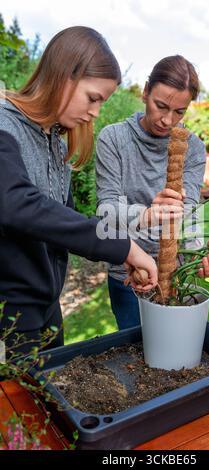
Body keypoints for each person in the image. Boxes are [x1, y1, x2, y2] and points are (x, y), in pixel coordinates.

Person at [0, 26, 157, 355]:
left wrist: (117, 252)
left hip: (47, 310)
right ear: (64, 76)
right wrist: (124, 247)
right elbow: (17, 204)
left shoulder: (55, 143)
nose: (96, 112)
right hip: (9, 318)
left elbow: (67, 219)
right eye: (93, 98)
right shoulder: (4, 127)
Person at [96, 55, 209, 330]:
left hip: (179, 271)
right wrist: (147, 214)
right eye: (161, 106)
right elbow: (105, 213)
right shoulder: (114, 139)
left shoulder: (192, 147)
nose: (168, 120)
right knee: (135, 356)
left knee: (183, 358)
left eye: (179, 111)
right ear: (145, 92)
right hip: (131, 272)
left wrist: (199, 254)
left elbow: (189, 211)